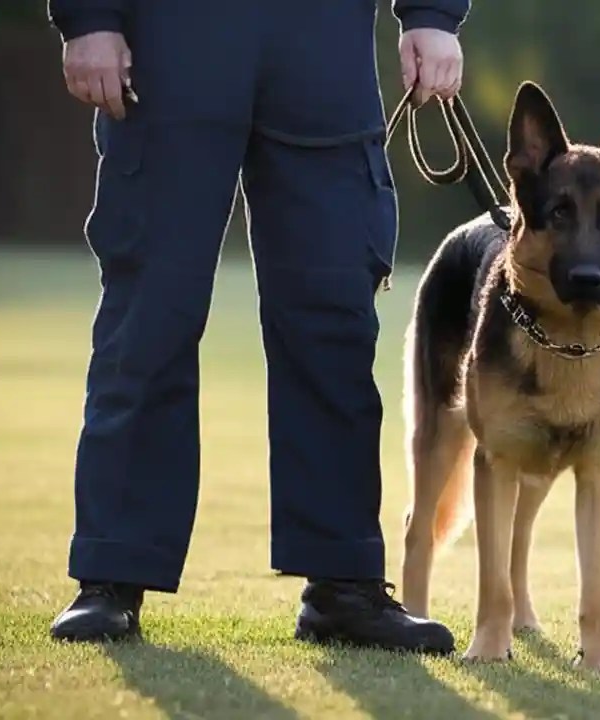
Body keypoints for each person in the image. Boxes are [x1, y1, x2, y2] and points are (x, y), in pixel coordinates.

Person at [44, 0, 469, 655]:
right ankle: (113, 572)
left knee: (335, 319)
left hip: (322, 39)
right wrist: (89, 16)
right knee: (150, 315)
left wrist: (431, 13)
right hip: (172, 35)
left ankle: (342, 583)